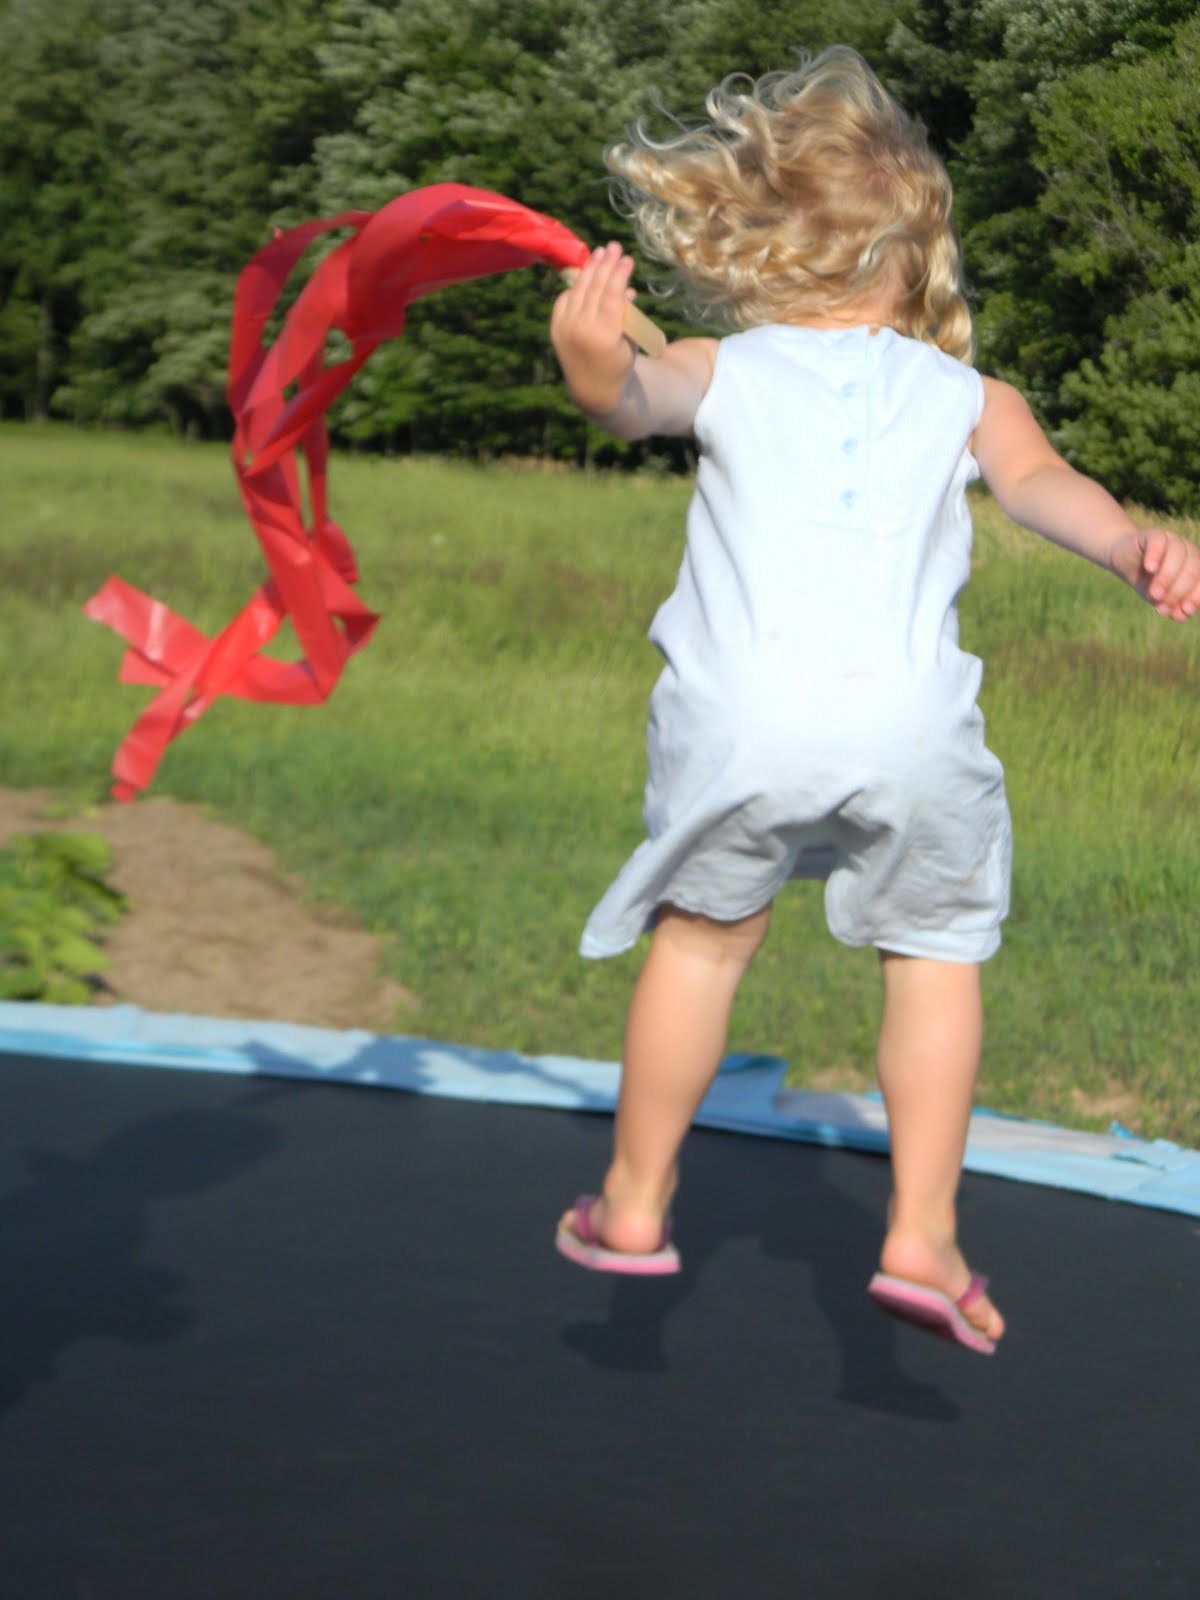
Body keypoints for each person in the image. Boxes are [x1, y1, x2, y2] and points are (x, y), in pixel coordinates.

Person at [547, 46, 1200, 1353]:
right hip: (908, 727)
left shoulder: (724, 366)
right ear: (917, 260)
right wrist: (1133, 545)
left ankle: (631, 1201)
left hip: (743, 722)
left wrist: (588, 361)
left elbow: (637, 400)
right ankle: (920, 1231)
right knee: (937, 956)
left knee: (703, 944)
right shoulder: (968, 394)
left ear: (755, 253)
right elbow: (1039, 488)